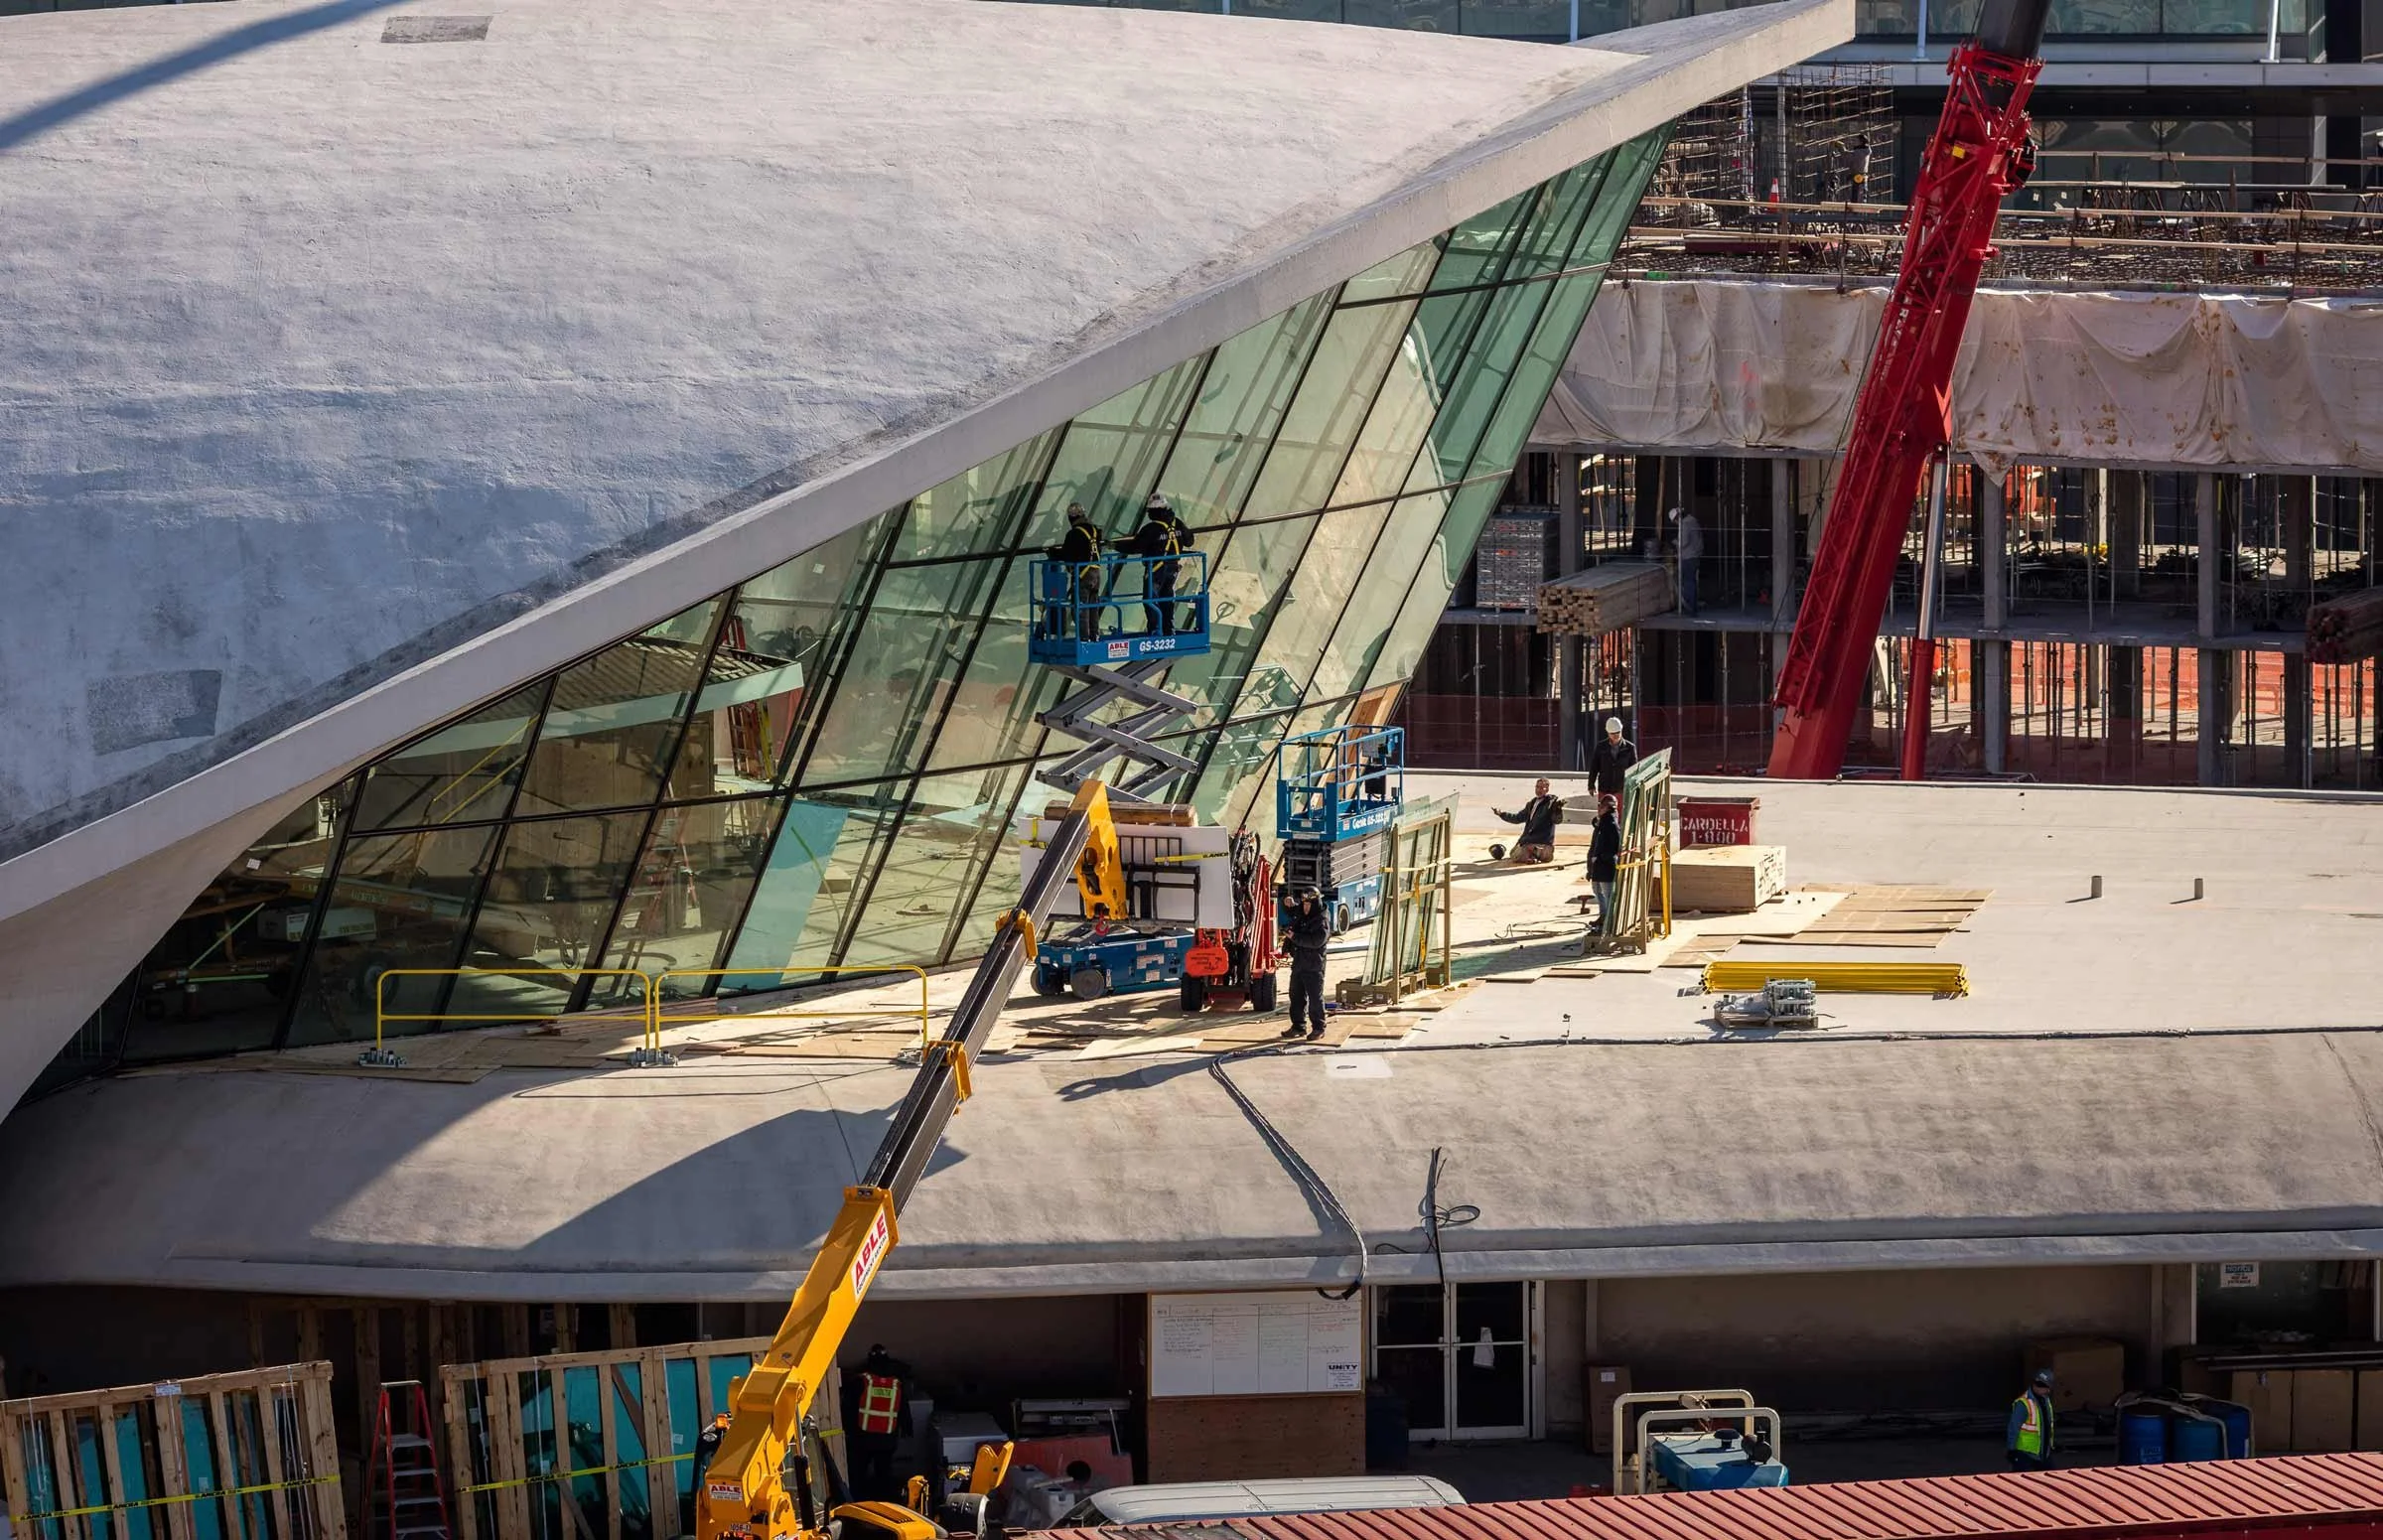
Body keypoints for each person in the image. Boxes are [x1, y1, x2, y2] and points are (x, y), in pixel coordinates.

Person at [845, 1343, 914, 1501]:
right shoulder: (896, 1383)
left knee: (859, 1472)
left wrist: (848, 1430)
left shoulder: (863, 1380)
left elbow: (849, 1407)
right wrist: (908, 1429)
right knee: (883, 1473)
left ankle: (857, 1502)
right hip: (887, 1438)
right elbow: (904, 1408)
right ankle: (884, 1502)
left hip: (863, 1436)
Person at [1132, 491, 1191, 635]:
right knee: (1167, 599)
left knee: (1150, 600)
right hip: (1173, 568)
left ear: (1153, 511)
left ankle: (1155, 630)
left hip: (1157, 570)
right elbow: (1189, 541)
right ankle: (1168, 629)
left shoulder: (1151, 529)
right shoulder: (1178, 524)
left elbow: (1135, 547)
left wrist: (1114, 546)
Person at [1283, 886, 1332, 1041]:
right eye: (1304, 904)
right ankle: (1298, 1026)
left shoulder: (1321, 920)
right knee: (1296, 995)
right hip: (1299, 962)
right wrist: (1288, 903)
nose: (1305, 907)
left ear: (1315, 904)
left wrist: (1294, 937)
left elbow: (1315, 941)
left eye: (1308, 905)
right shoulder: (1303, 913)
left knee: (1315, 998)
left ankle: (1318, 1028)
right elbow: (1294, 911)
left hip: (1313, 965)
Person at [1055, 503, 1105, 639]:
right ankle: (1094, 635)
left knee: (1080, 608)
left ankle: (1084, 638)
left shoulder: (1074, 533)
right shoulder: (1095, 531)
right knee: (1093, 605)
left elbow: (1067, 554)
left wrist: (1054, 554)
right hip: (1096, 572)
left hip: (1083, 574)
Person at [1493, 777, 1564, 864]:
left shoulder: (1551, 804)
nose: (1539, 790)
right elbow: (1517, 818)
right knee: (1513, 852)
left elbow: (1557, 820)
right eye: (1537, 787)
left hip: (1542, 843)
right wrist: (1502, 814)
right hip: (1534, 843)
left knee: (1515, 856)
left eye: (1542, 788)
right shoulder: (1531, 804)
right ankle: (1534, 856)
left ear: (1547, 789)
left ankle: (1534, 853)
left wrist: (1558, 810)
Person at [2007, 1368, 2057, 1470]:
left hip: (2043, 1452)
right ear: (2037, 1385)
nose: (2048, 1391)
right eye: (2046, 1387)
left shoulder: (2045, 1400)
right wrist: (2011, 1450)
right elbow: (2013, 1428)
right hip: (2025, 1454)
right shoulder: (2023, 1403)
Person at [1588, 794, 1622, 933]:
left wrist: (1602, 857)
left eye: (1601, 806)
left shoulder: (1611, 824)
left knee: (1607, 894)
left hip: (1605, 865)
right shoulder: (1602, 822)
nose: (1599, 809)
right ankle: (1603, 916)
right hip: (1597, 864)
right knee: (1597, 890)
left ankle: (1609, 921)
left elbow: (1615, 846)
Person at [1587, 717, 1638, 800]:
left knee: (1621, 813)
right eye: (1613, 733)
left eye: (1618, 732)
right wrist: (1591, 785)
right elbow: (1594, 767)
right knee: (1605, 813)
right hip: (1605, 789)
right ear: (1608, 732)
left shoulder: (1630, 748)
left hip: (1622, 790)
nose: (1616, 735)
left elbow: (1634, 770)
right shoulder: (1601, 747)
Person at [1669, 505, 1704, 617]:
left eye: (1675, 522)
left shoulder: (1685, 524)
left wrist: (1674, 542)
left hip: (1688, 558)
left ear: (1677, 518)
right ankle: (1692, 606)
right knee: (1691, 581)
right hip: (1695, 556)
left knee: (1688, 582)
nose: (1676, 524)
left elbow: (1683, 543)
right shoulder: (1693, 520)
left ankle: (1690, 609)